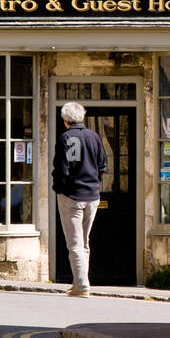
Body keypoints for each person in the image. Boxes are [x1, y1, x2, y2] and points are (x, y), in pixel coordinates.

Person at [52, 102, 107, 298]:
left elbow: (61, 169)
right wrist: (94, 183)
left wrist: (59, 189)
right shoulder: (94, 136)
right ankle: (78, 283)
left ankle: (82, 286)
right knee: (84, 242)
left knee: (74, 243)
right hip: (92, 195)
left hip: (71, 195)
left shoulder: (65, 137)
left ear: (65, 119)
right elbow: (103, 165)